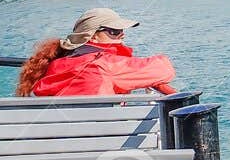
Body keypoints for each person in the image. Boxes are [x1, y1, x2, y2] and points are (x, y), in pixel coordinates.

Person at [16, 7, 177, 97]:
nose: (122, 35)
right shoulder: (104, 64)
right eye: (114, 31)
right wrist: (144, 80)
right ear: (92, 36)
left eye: (121, 30)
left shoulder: (55, 64)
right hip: (102, 141)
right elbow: (164, 69)